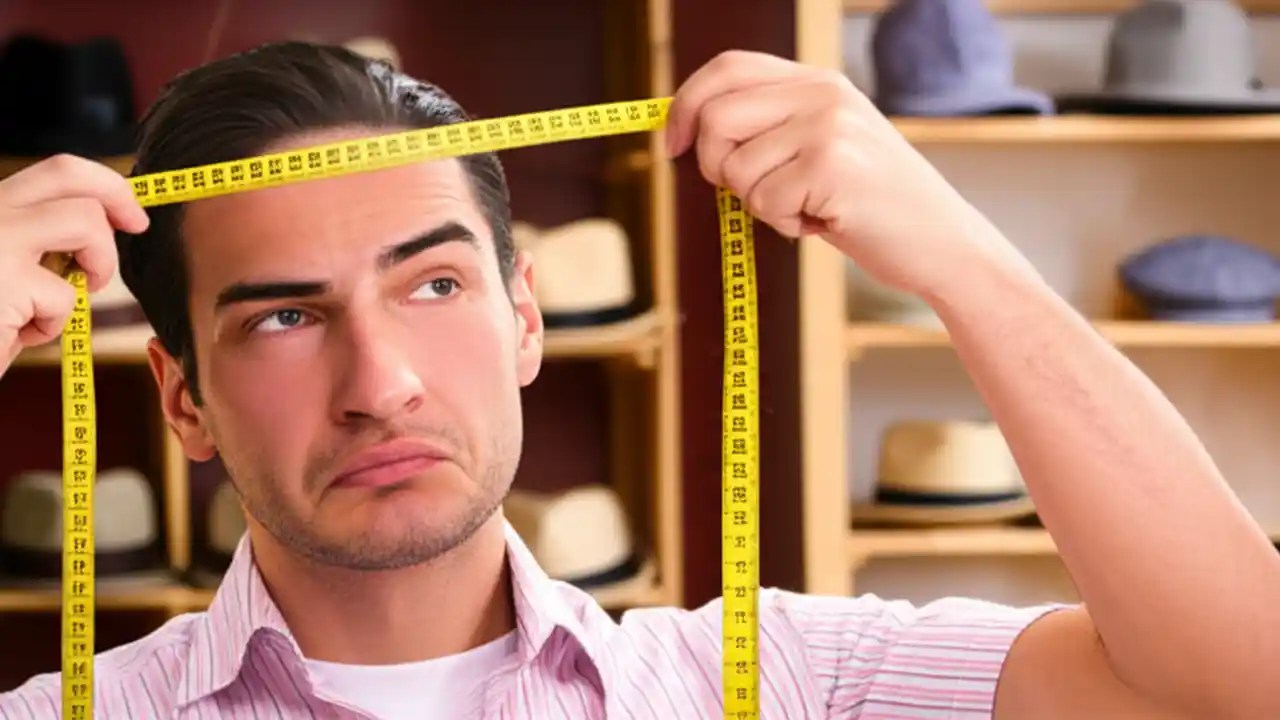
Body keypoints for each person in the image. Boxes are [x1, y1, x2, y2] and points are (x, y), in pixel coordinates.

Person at [0, 41, 1274, 720]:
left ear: (523, 320)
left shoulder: (791, 684)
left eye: (432, 285)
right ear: (183, 400)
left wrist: (963, 259)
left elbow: (1231, 689)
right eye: (284, 317)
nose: (379, 383)